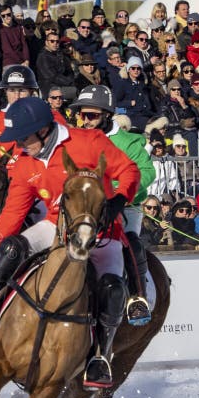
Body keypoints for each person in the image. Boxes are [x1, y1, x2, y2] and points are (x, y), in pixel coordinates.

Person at [0, 97, 140, 389]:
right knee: (11, 248)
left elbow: (129, 171)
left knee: (113, 287)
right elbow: (12, 214)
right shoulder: (26, 164)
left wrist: (118, 201)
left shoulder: (89, 142)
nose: (18, 146)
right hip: (55, 225)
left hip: (101, 231)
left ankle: (99, 357)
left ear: (43, 130)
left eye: (23, 138)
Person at [70, 85, 155, 325]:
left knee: (131, 242)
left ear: (107, 115)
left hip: (124, 206)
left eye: (92, 116)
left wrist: (116, 191)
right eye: (82, 115)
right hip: (86, 206)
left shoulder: (127, 142)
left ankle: (138, 298)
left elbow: (146, 172)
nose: (85, 121)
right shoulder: (77, 138)